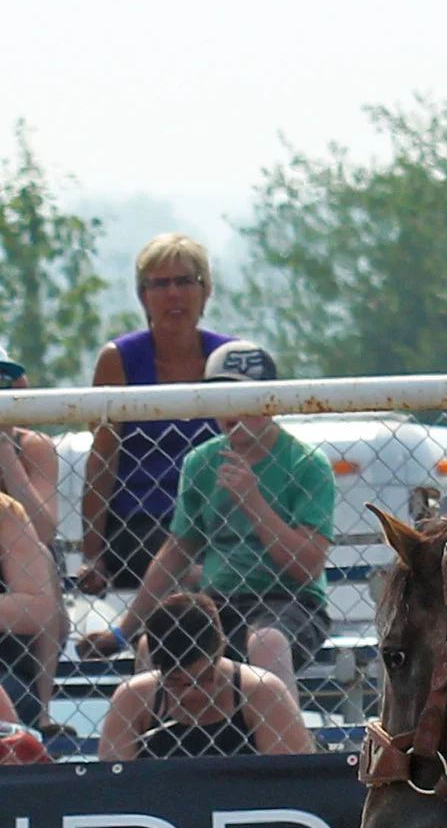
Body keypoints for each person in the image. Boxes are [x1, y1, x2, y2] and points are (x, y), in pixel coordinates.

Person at [78, 340, 335, 691]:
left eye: (245, 398)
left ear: (272, 402)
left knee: (267, 643)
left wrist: (253, 500)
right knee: (152, 646)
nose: (232, 410)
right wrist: (125, 629)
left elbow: (306, 568)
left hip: (289, 600)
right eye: (221, 398)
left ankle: (287, 742)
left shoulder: (305, 464)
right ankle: (158, 740)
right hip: (219, 600)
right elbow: (177, 552)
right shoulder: (201, 461)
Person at [78, 233, 233, 593]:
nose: (173, 294)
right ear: (143, 296)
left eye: (184, 281)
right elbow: (102, 460)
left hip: (219, 519)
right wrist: (92, 555)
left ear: (205, 291)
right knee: (181, 565)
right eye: (160, 284)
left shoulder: (229, 358)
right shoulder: (119, 360)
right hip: (141, 521)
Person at [96, 592, 311, 758]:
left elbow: (293, 782)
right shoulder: (133, 699)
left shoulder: (263, 692)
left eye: (204, 678)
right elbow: (112, 790)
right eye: (175, 683)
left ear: (221, 649)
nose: (193, 693)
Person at [0, 347, 64, 728]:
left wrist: (6, 453)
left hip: (23, 569)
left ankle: (41, 710)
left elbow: (43, 527)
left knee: (44, 557)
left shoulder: (32, 446)